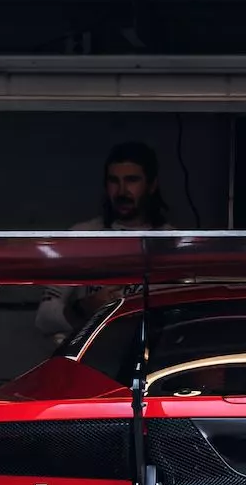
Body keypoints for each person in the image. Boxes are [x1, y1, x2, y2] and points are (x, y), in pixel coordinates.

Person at [35, 138, 171, 343]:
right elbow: (44, 319)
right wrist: (84, 308)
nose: (122, 191)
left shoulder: (172, 243)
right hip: (93, 358)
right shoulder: (82, 236)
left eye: (132, 180)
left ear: (152, 185)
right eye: (114, 181)